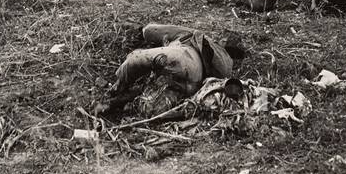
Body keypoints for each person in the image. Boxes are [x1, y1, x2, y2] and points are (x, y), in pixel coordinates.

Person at [101, 23, 242, 118]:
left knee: (134, 58)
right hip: (194, 82)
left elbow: (154, 30)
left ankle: (113, 92)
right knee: (150, 107)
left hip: (182, 58)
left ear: (223, 41)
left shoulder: (201, 37)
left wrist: (144, 30)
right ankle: (119, 104)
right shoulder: (226, 64)